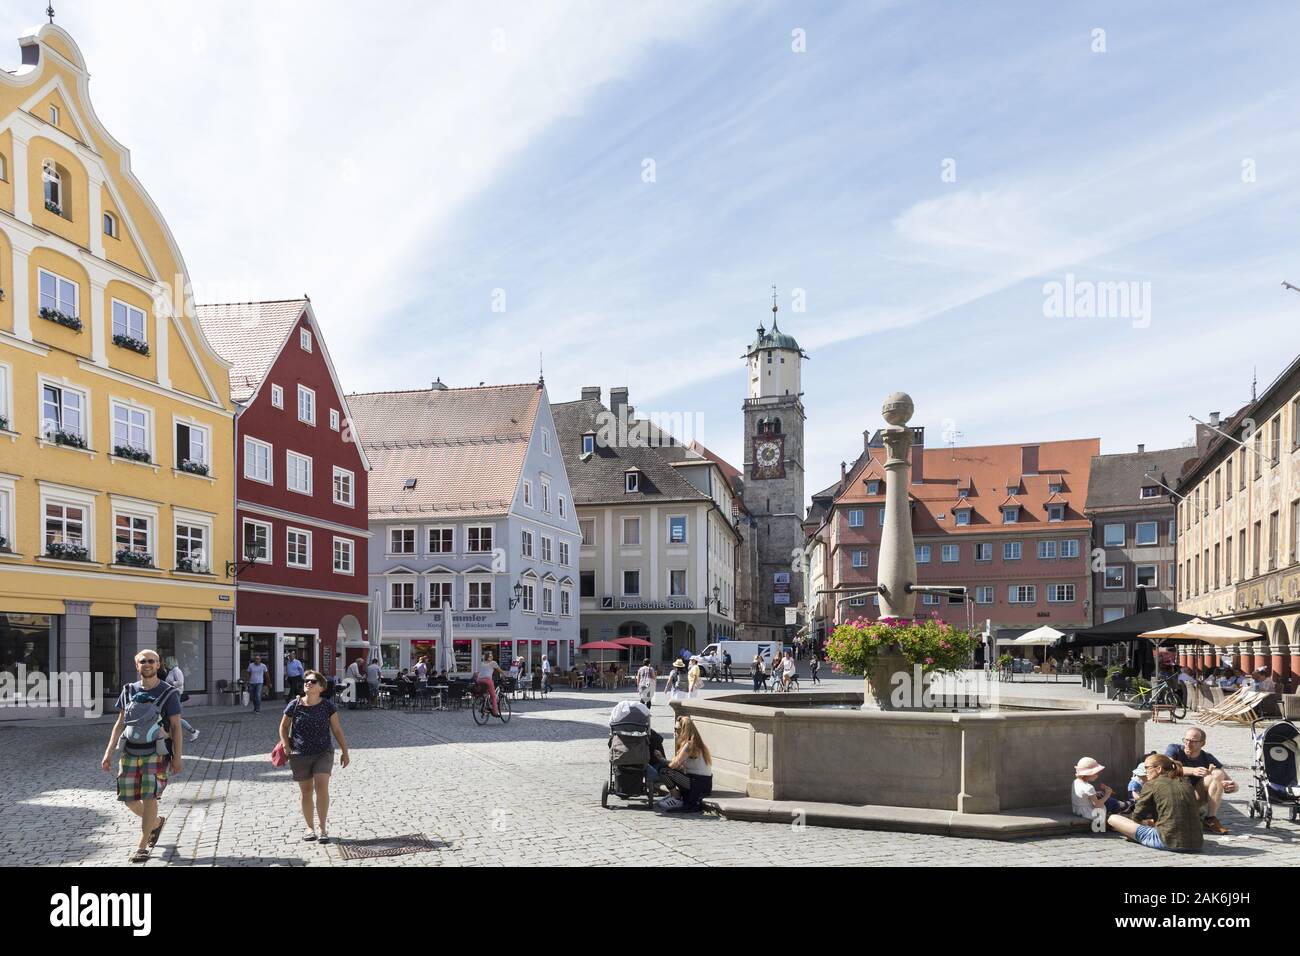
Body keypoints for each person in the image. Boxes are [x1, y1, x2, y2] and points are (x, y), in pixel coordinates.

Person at [101, 649, 183, 863]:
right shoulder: (128, 690)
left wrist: (177, 757)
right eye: (142, 661)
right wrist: (109, 751)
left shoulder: (168, 692)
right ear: (136, 665)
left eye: (151, 661)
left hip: (155, 753)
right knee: (128, 798)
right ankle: (155, 823)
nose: (147, 664)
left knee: (149, 797)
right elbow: (120, 723)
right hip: (129, 751)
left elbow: (176, 726)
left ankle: (143, 844)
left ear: (158, 665)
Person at [279, 670, 350, 842]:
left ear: (321, 687)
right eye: (306, 681)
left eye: (312, 681)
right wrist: (285, 745)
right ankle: (309, 828)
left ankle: (322, 828)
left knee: (321, 786)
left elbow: (337, 729)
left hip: (323, 752)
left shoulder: (327, 706)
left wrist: (345, 752)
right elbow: (283, 727)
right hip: (299, 754)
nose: (308, 683)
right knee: (306, 791)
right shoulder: (294, 705)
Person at [1106, 754, 1203, 852]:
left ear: (1159, 769)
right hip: (1197, 843)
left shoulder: (1151, 784)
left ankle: (1138, 836)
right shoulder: (1185, 781)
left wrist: (1134, 830)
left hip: (1167, 842)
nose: (1145, 772)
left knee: (1113, 819)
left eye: (1147, 768)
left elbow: (1137, 816)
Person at [1164, 727, 1237, 834]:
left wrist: (1232, 787)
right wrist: (1192, 771)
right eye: (1186, 740)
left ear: (1202, 743)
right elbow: (1167, 768)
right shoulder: (1174, 749)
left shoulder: (1207, 758)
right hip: (1173, 796)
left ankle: (1210, 818)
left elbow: (1230, 782)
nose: (1188, 744)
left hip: (1194, 796)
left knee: (1218, 774)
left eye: (1193, 741)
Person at [658, 716, 713, 813]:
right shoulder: (695, 742)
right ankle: (675, 795)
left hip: (697, 783)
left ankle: (676, 798)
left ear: (684, 730)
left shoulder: (689, 744)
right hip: (703, 783)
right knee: (670, 771)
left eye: (677, 729)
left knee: (664, 771)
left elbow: (675, 764)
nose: (675, 731)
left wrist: (661, 759)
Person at [163, 658, 200, 742]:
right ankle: (172, 735)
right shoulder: (171, 671)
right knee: (172, 717)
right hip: (171, 695)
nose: (165, 663)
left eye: (166, 662)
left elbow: (180, 682)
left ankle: (193, 731)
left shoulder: (176, 670)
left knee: (175, 717)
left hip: (176, 695)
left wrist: (171, 683)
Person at [476, 651, 502, 717]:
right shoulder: (493, 662)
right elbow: (499, 670)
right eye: (491, 656)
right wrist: (505, 675)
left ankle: (484, 705)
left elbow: (479, 672)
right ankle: (495, 712)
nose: (492, 657)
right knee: (493, 696)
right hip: (487, 680)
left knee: (486, 693)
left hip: (479, 680)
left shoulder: (482, 663)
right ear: (488, 657)